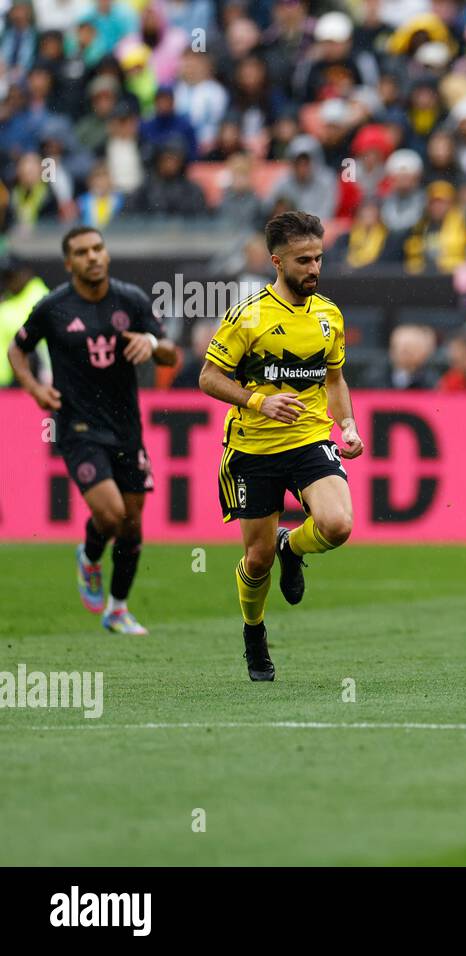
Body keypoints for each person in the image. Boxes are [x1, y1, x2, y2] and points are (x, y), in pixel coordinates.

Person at [198, 211, 365, 681]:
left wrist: (347, 424)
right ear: (277, 262)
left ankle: (292, 547)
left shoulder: (329, 315)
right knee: (257, 559)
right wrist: (258, 401)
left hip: (309, 438)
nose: (314, 268)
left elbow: (334, 379)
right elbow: (208, 378)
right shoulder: (248, 316)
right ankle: (254, 633)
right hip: (253, 448)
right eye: (303, 260)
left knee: (338, 524)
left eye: (318, 258)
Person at [6, 226, 178, 633]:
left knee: (132, 524)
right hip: (77, 426)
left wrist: (151, 345)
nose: (93, 257)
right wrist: (34, 388)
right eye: (82, 252)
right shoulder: (53, 307)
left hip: (126, 427)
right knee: (112, 514)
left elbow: (171, 352)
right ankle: (89, 555)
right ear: (69, 263)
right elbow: (17, 349)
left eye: (98, 248)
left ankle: (117, 609)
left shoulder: (131, 300)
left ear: (107, 254)